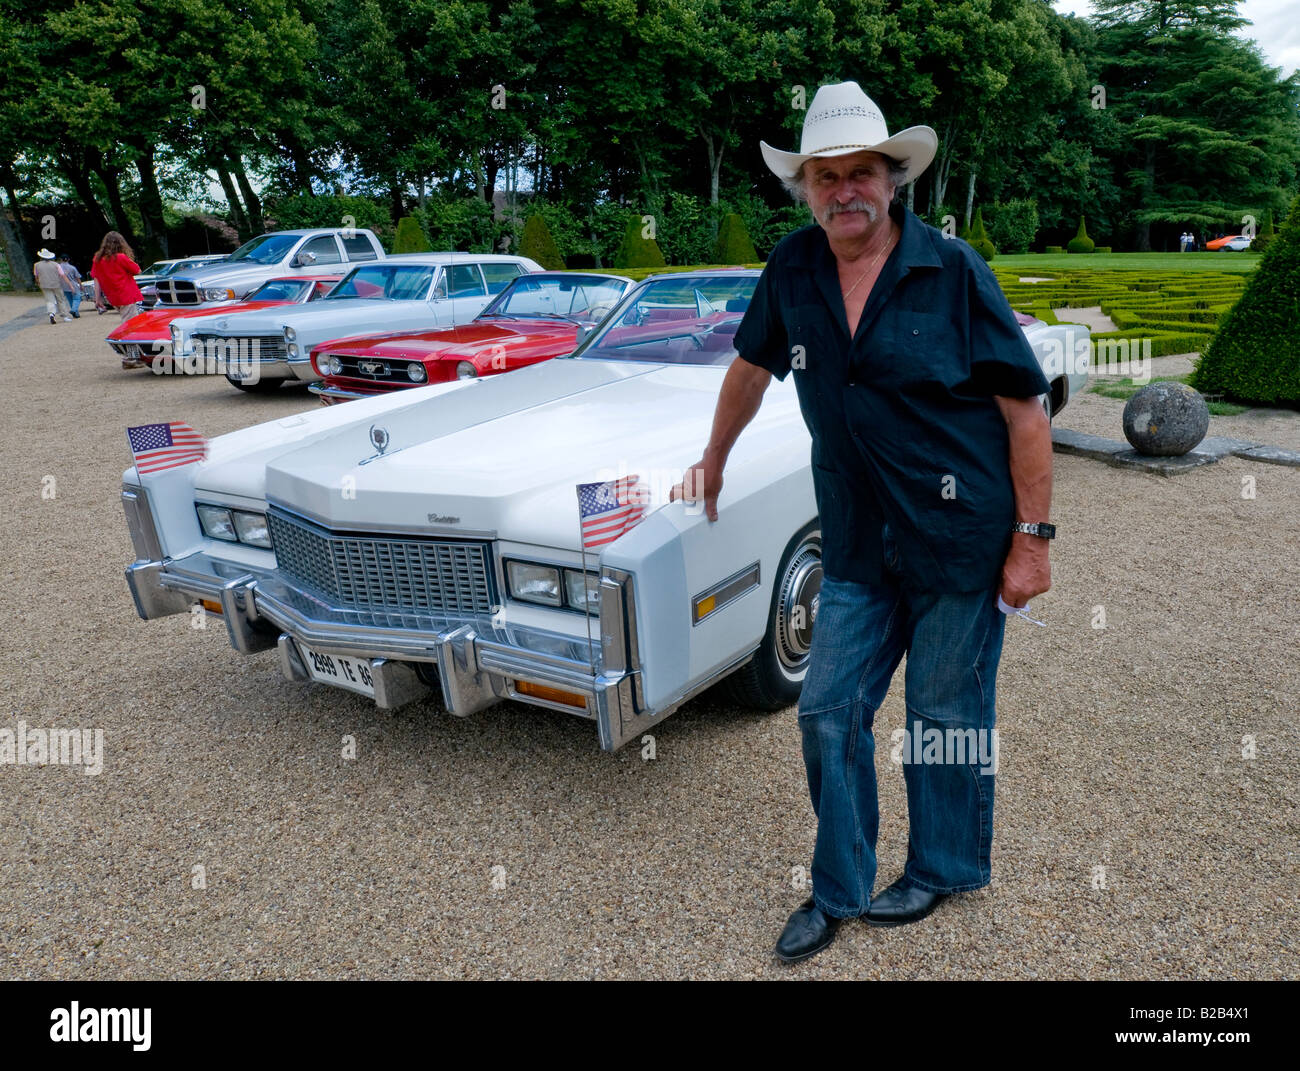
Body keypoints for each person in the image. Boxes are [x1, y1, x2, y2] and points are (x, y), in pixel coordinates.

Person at [671, 82, 1055, 963]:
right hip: (854, 540)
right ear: (806, 186)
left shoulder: (952, 271)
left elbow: (1026, 411)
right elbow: (747, 369)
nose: (844, 189)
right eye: (825, 175)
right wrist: (716, 456)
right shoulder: (794, 268)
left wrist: (1033, 541)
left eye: (860, 173)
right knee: (829, 711)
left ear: (892, 180)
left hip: (959, 538)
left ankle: (944, 866)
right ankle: (838, 887)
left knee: (944, 711)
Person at [90, 231, 145, 367]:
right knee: (130, 328)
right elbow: (137, 270)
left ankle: (133, 357)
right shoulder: (120, 257)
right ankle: (130, 359)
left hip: (114, 298)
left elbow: (96, 279)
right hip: (127, 295)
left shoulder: (97, 259)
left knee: (128, 326)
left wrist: (98, 299)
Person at [33, 248, 72, 324]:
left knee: (50, 300)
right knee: (61, 300)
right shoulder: (56, 264)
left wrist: (38, 283)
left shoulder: (36, 265)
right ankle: (65, 316)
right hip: (56, 284)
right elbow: (62, 275)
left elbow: (36, 276)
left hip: (44, 284)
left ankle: (52, 313)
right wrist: (69, 284)